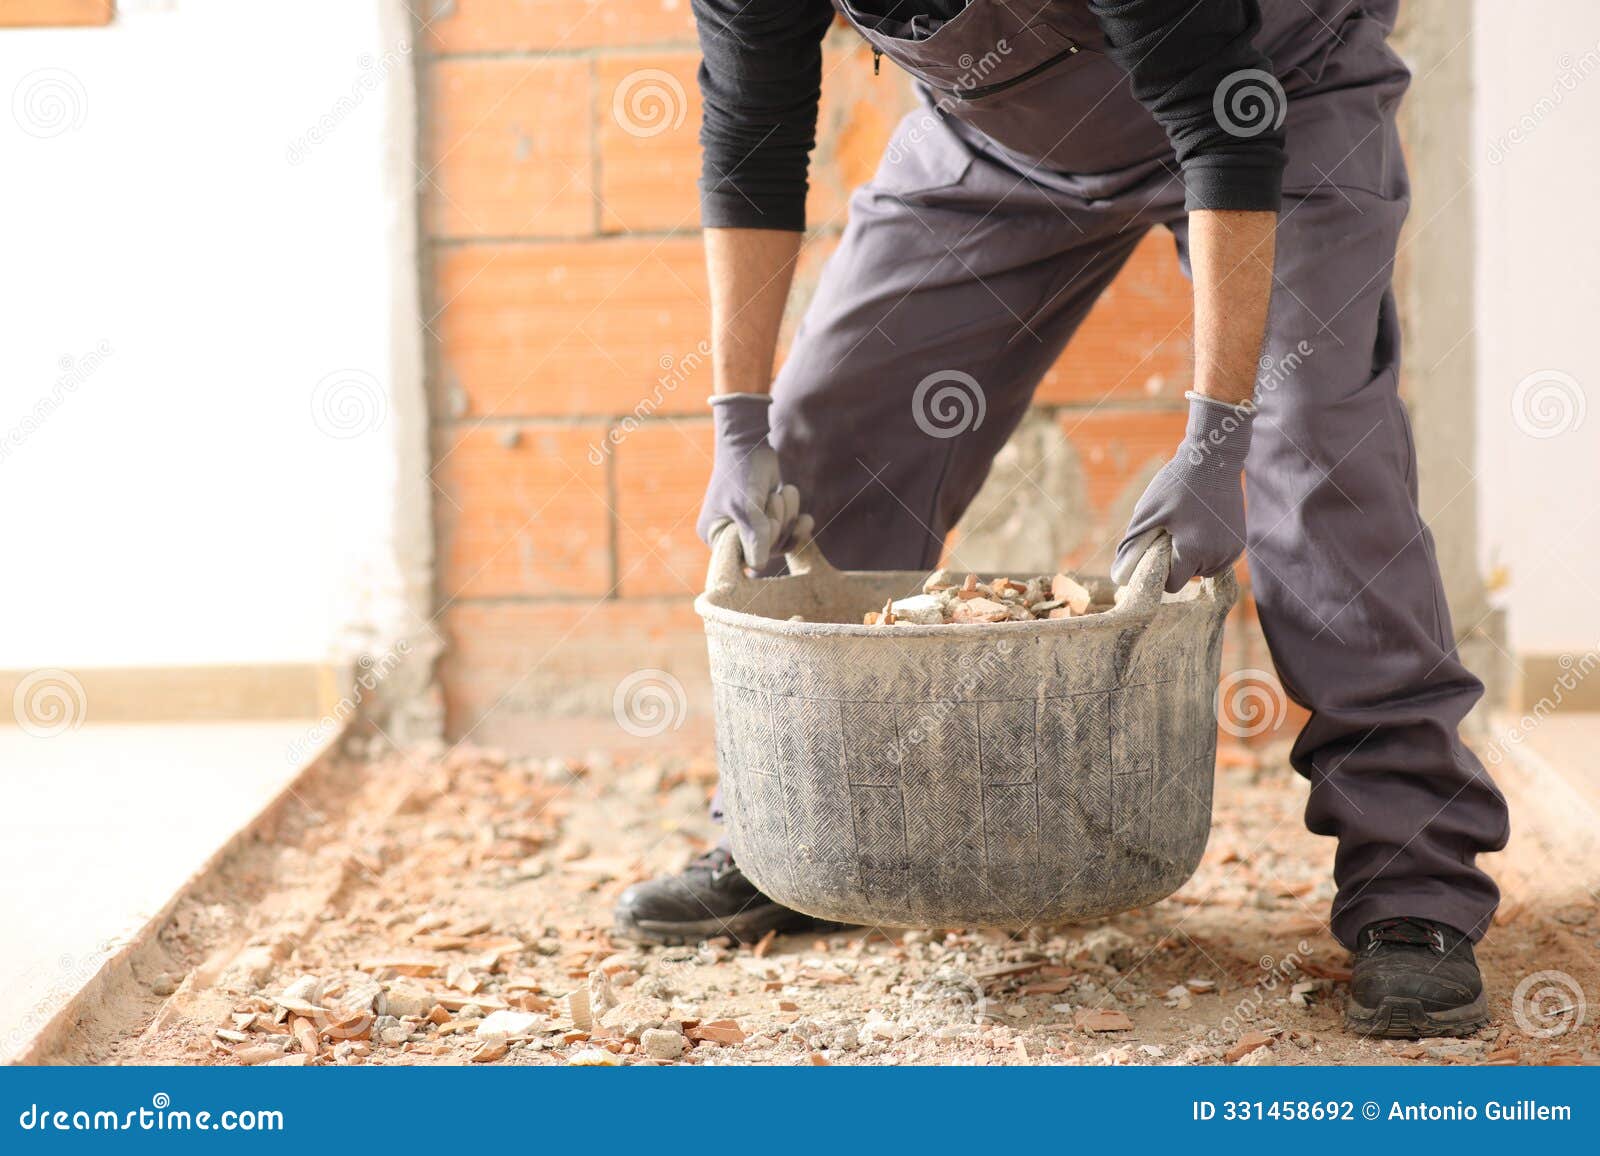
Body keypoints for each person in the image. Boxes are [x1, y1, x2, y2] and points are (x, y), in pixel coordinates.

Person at [613, 0, 1508, 1040]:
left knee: (1309, 446)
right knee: (824, 432)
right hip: (999, 142)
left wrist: (1220, 440)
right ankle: (791, 838)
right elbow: (750, 135)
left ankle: (1414, 886)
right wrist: (737, 427)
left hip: (1273, 88)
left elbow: (1221, 117)